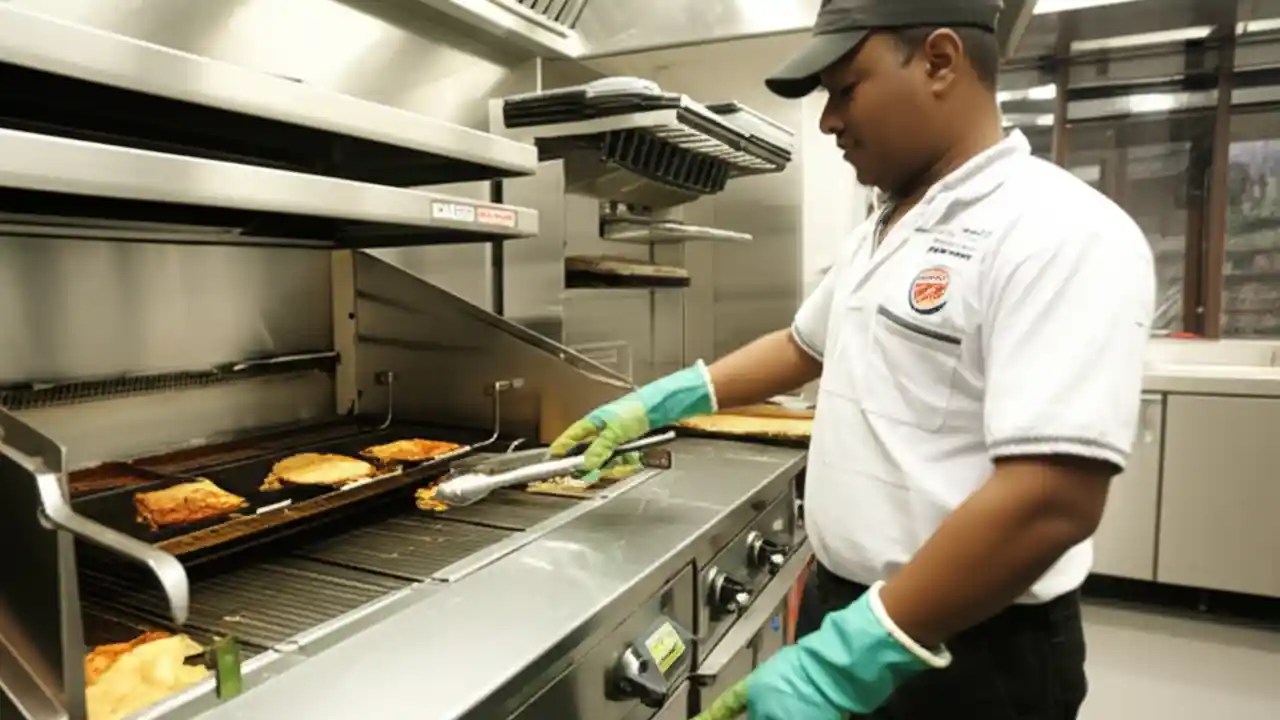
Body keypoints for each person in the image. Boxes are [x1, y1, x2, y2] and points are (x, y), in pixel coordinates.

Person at [550, 0, 1155, 717]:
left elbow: (1052, 498)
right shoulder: (889, 224)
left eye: (845, 88)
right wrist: (659, 401)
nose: (829, 120)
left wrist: (849, 659)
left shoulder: (1061, 231)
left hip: (965, 645)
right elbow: (802, 346)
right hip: (849, 608)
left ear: (938, 60)